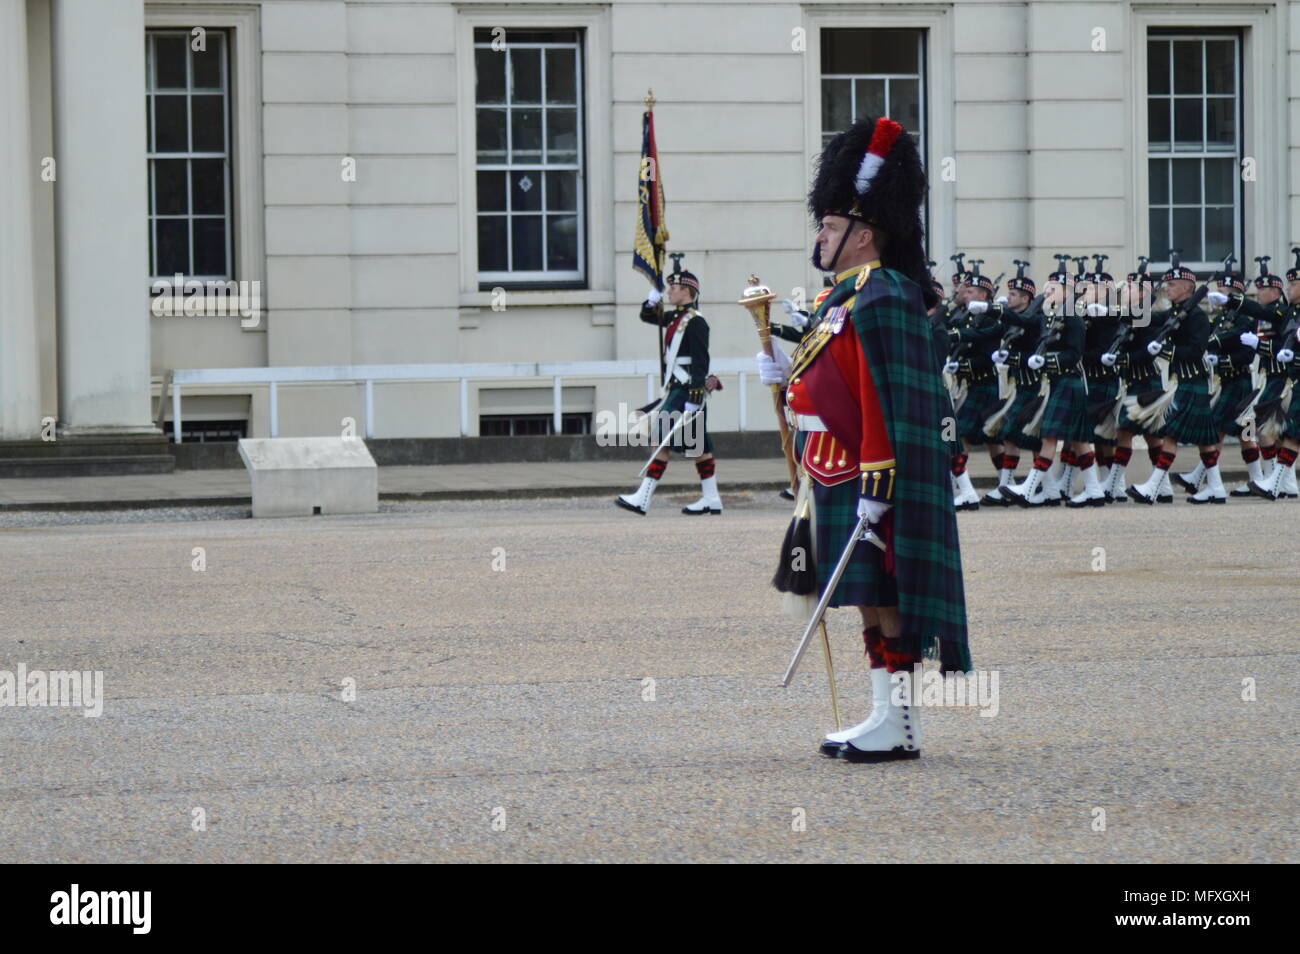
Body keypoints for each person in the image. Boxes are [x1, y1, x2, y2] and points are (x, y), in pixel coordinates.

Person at [756, 116, 971, 763]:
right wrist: (784, 367)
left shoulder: (882, 294)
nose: (819, 235)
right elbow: (834, 372)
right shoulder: (842, 297)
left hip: (867, 472)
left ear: (863, 233)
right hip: (829, 467)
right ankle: (883, 714)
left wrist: (878, 487)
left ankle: (899, 723)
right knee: (866, 601)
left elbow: (886, 399)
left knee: (886, 597)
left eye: (829, 225)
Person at [615, 262, 721, 515]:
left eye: (672, 288)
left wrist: (695, 396)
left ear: (687, 291)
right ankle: (711, 498)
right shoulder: (677, 317)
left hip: (686, 390)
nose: (668, 292)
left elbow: (700, 361)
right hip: (676, 388)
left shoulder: (695, 322)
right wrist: (651, 300)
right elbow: (649, 316)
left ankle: (643, 497)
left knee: (658, 438)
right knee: (698, 448)